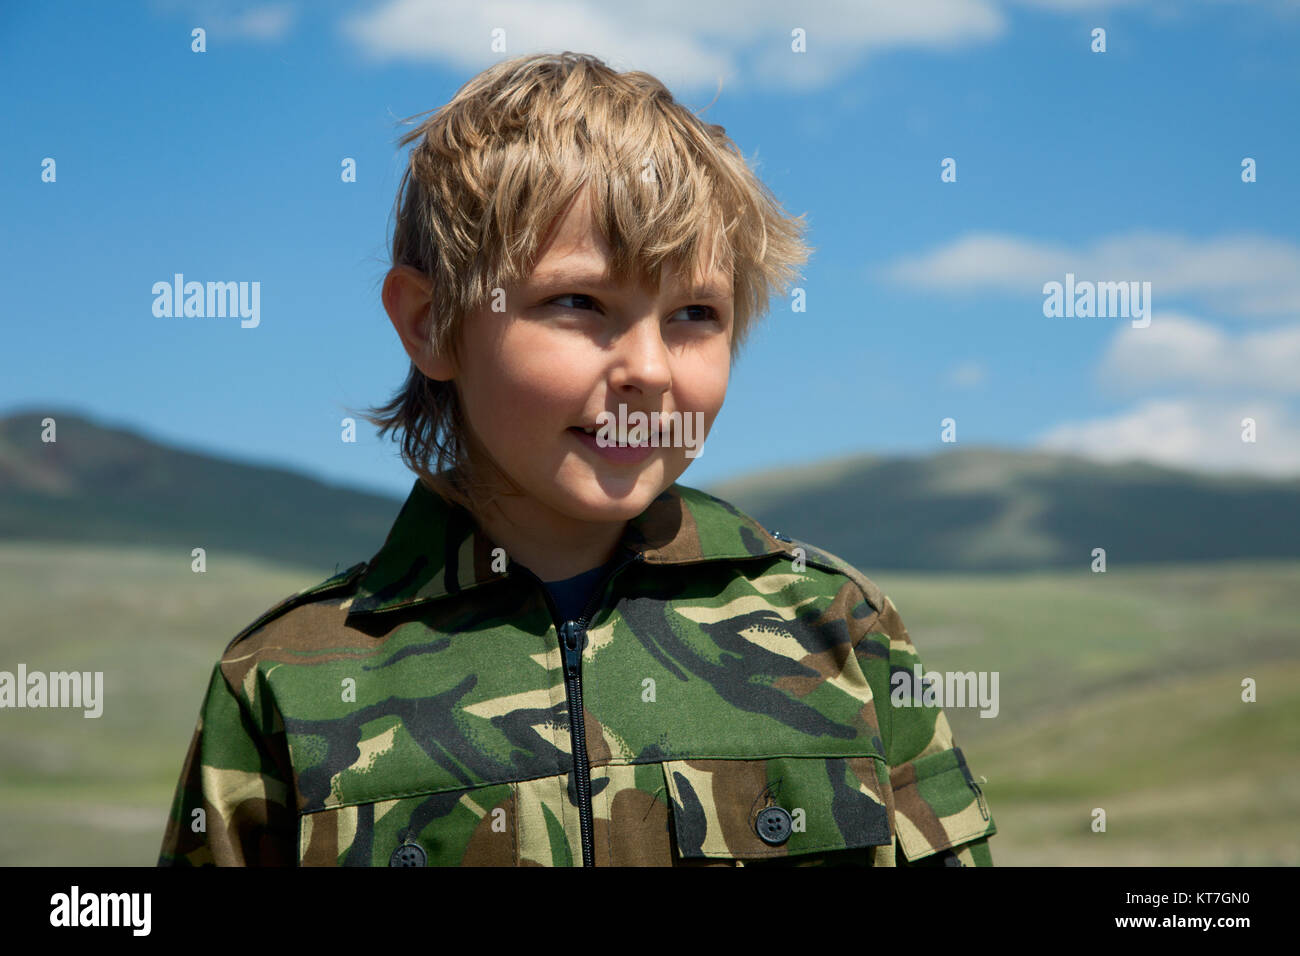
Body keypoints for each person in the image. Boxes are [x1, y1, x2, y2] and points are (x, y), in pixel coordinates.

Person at [157, 51, 995, 867]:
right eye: (579, 303)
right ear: (430, 322)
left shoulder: (842, 633)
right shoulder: (283, 683)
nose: (650, 369)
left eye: (695, 313)